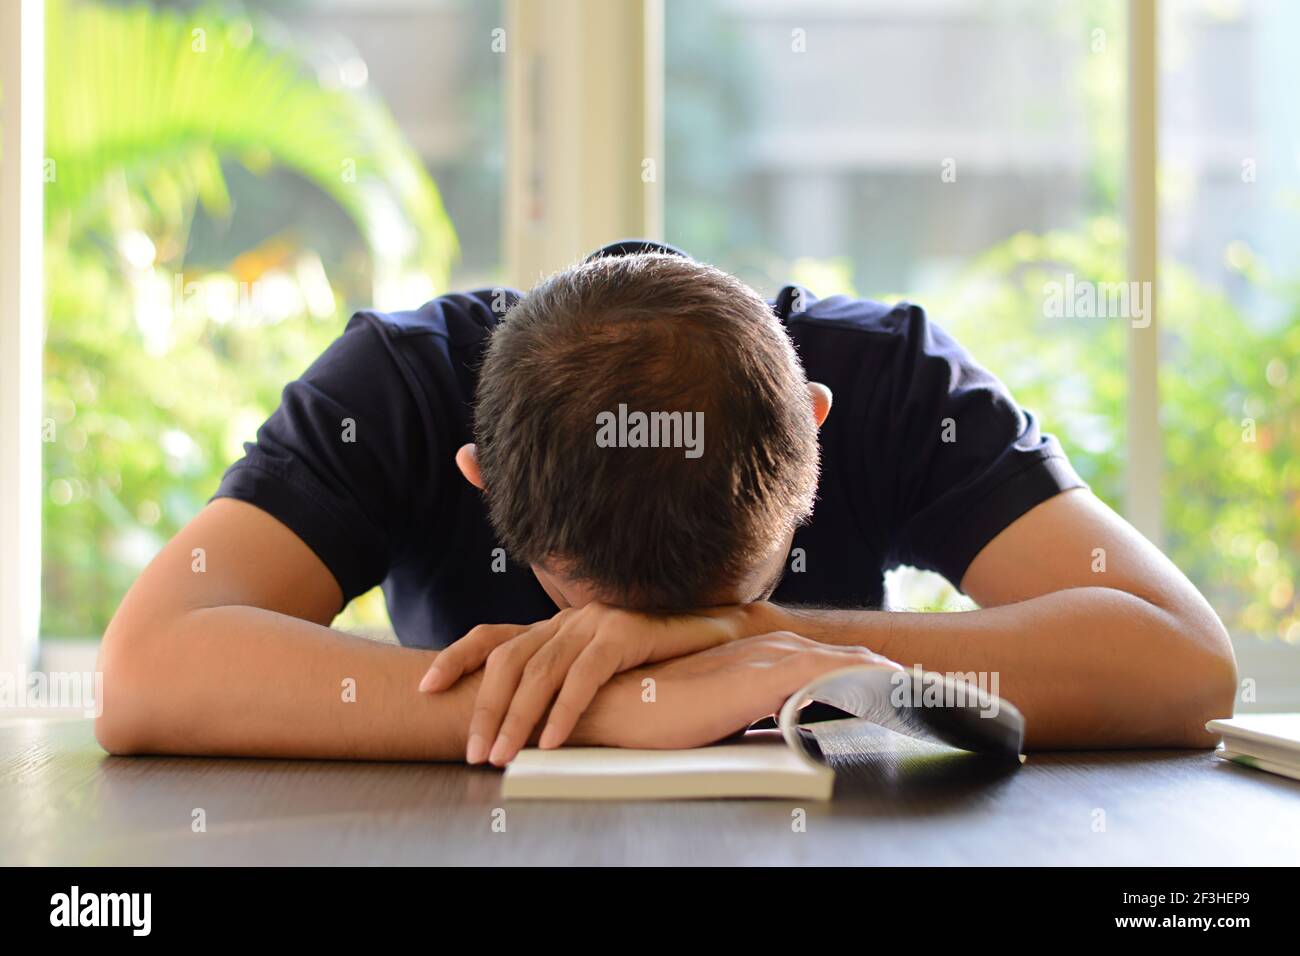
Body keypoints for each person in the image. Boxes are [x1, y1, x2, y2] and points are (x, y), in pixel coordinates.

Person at [94, 240, 1236, 765]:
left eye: (675, 631)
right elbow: (148, 669)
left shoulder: (895, 377)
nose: (642, 657)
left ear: (816, 435)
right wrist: (584, 707)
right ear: (480, 474)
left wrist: (761, 638)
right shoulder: (398, 387)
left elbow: (1179, 660)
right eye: (600, 622)